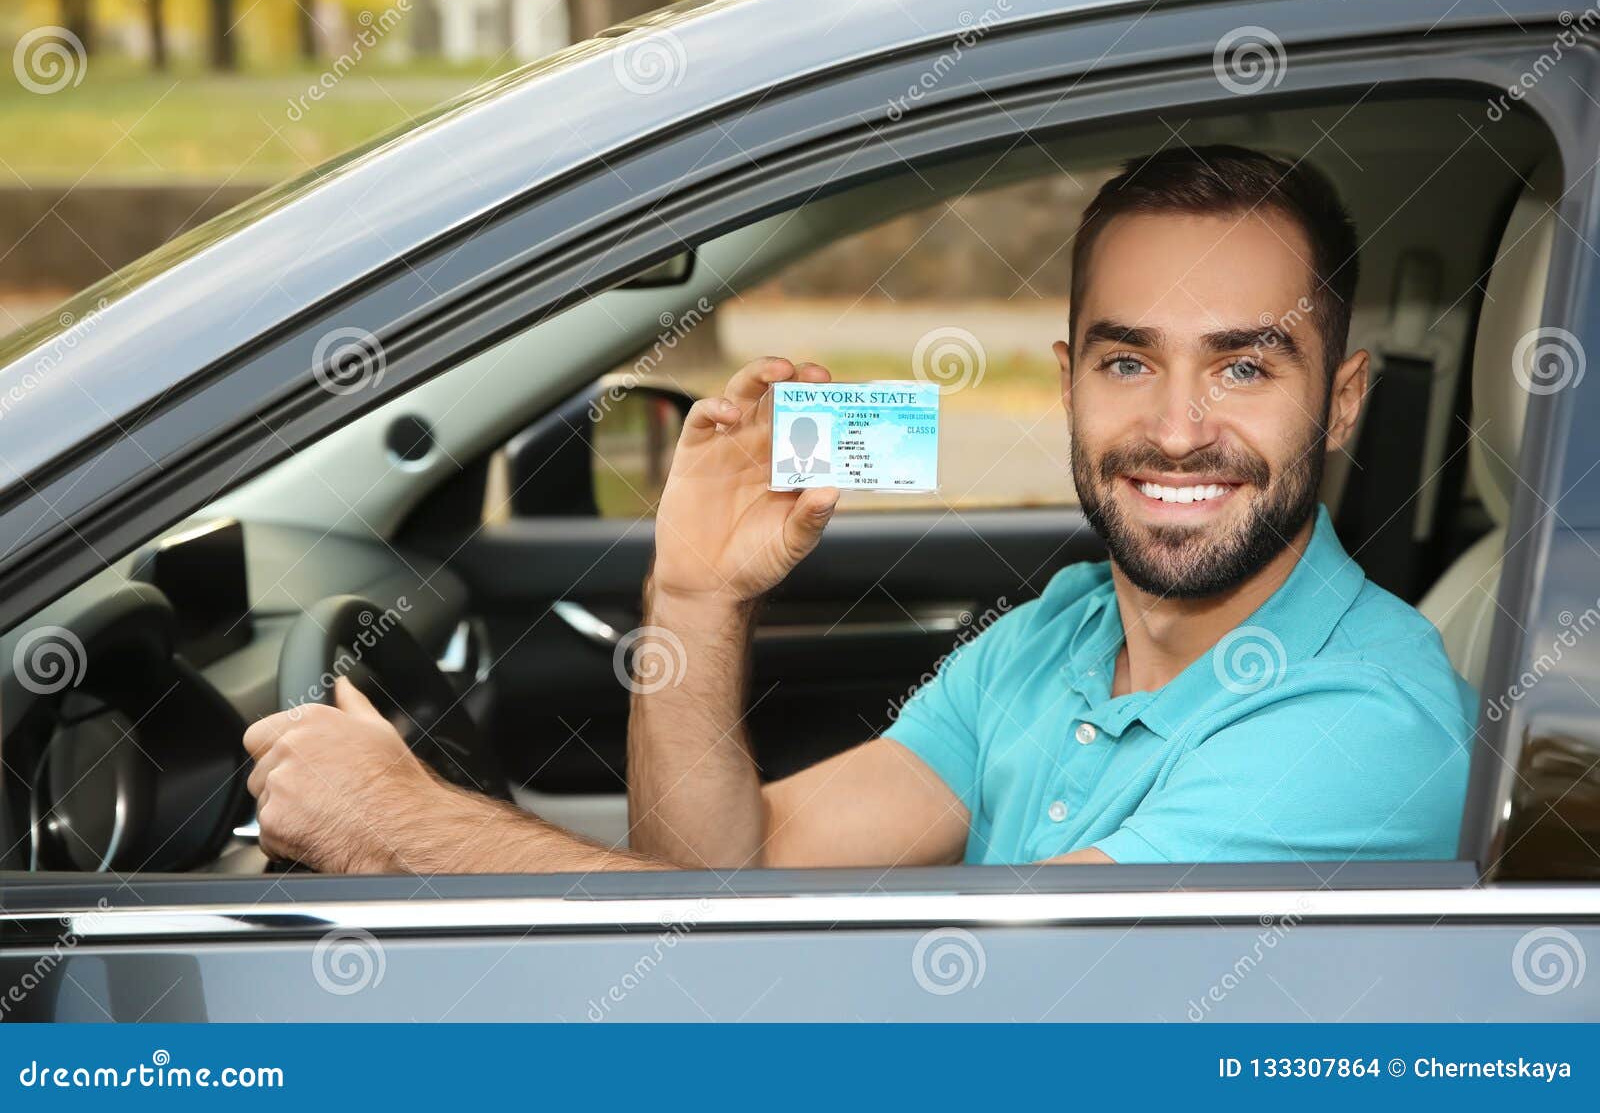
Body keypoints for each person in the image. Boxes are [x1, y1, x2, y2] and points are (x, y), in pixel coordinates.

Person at [242, 144, 1475, 874]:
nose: (1176, 425)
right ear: (1067, 382)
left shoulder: (1364, 724)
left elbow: (925, 996)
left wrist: (408, 827)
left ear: (1343, 400)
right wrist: (696, 593)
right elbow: (736, 876)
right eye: (1125, 360)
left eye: (1245, 365)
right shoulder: (1058, 630)